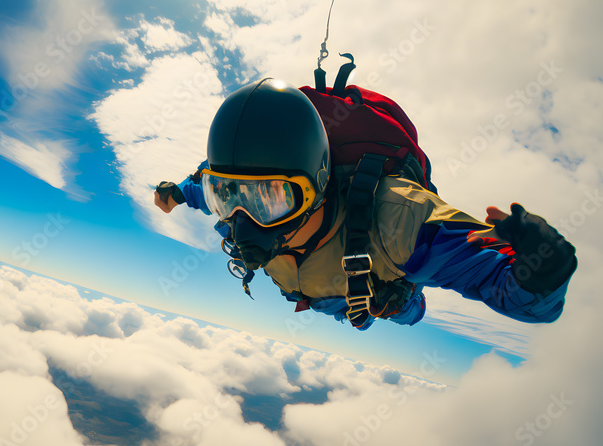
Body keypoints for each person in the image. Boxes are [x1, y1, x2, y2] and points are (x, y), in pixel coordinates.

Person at [154, 78, 577, 330]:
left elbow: (513, 295)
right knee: (345, 306)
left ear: (318, 186)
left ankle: (403, 299)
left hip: (376, 277)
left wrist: (543, 270)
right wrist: (178, 194)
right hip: (322, 294)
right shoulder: (234, 197)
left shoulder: (399, 222)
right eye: (225, 196)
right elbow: (205, 187)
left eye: (272, 198)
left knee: (403, 311)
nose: (243, 225)